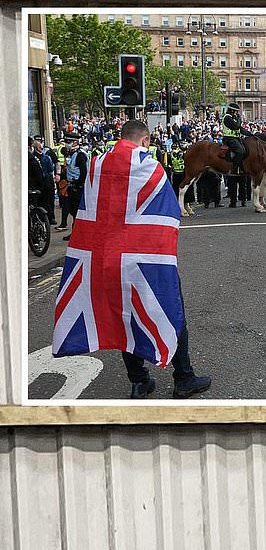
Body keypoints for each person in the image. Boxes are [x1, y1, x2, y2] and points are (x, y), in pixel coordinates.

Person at [51, 120, 212, 398]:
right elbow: (168, 214)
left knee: (124, 316)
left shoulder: (97, 165)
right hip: (142, 260)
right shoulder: (151, 167)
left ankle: (139, 381)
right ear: (145, 140)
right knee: (172, 310)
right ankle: (183, 377)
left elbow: (87, 209)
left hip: (103, 260)